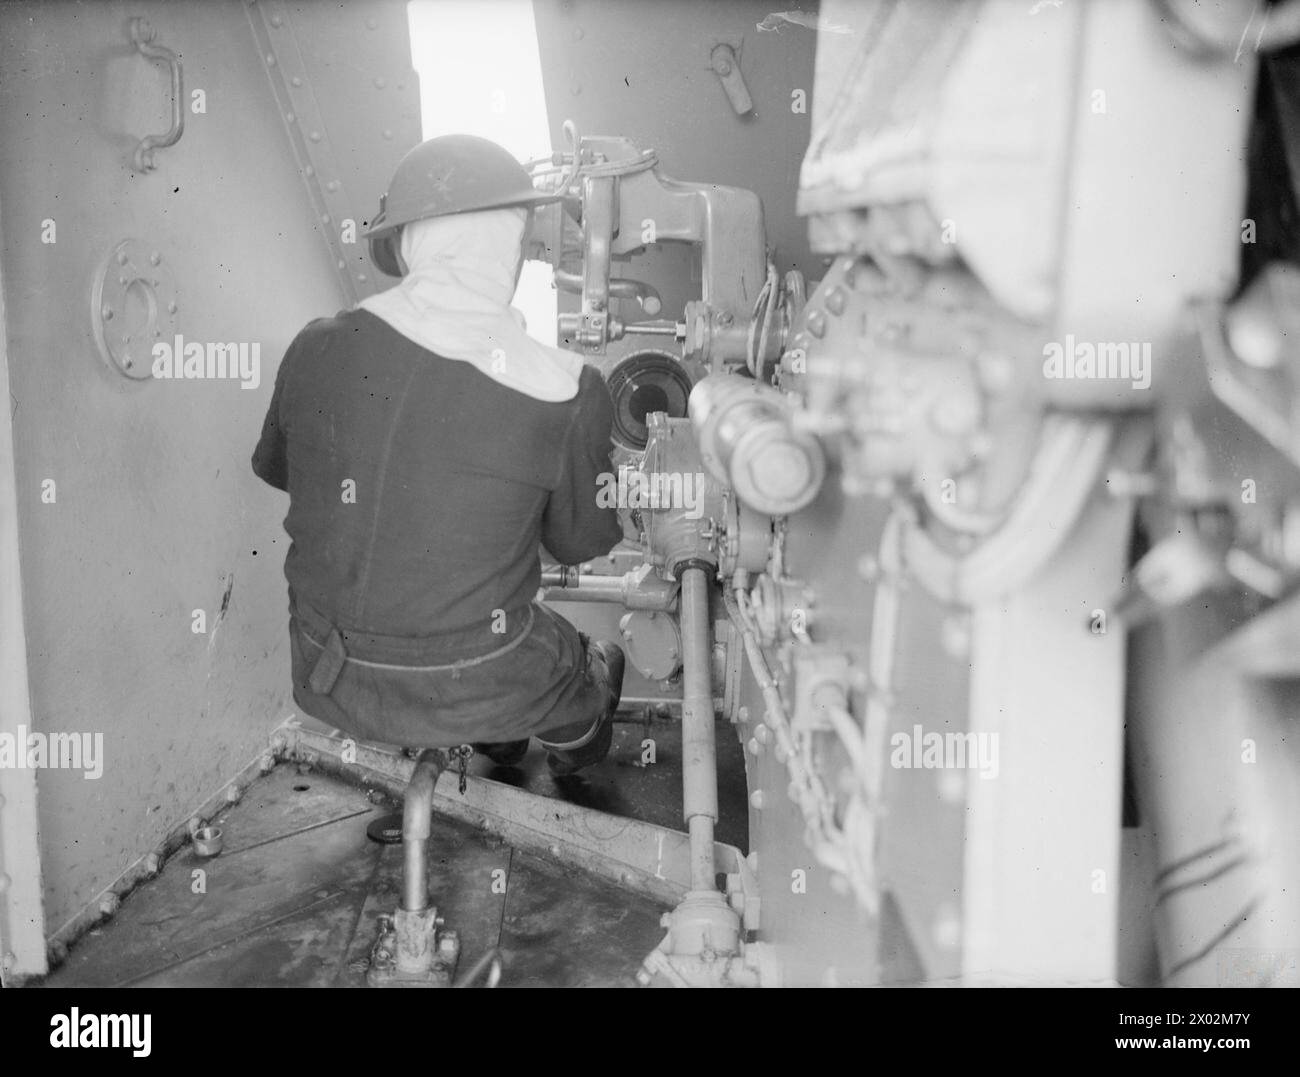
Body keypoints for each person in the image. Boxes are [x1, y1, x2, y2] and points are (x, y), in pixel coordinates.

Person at [251, 133, 625, 774]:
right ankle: (563, 744)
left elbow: (286, 472)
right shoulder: (565, 385)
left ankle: (494, 734)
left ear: (405, 242)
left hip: (323, 666)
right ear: (510, 246)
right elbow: (579, 544)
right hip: (478, 670)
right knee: (590, 662)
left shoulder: (312, 345)